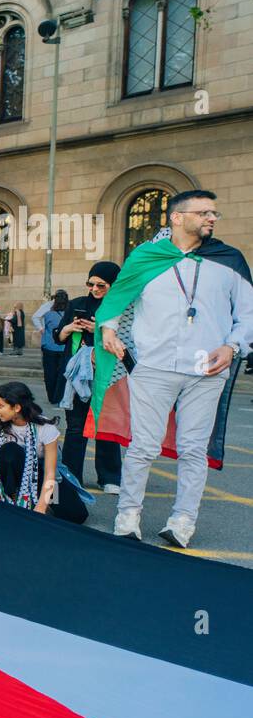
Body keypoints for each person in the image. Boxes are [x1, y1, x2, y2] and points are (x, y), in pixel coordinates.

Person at [96, 190, 253, 546]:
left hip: (208, 369)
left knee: (194, 448)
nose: (211, 218)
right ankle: (128, 514)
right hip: (153, 365)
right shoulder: (146, 257)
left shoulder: (229, 260)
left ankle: (183, 521)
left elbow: (248, 314)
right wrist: (107, 331)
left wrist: (232, 346)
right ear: (177, 218)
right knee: (143, 446)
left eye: (214, 213)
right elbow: (116, 299)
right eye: (203, 213)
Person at [56, 261, 122, 495]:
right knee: (76, 426)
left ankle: (110, 476)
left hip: (109, 374)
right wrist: (70, 328)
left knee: (107, 423)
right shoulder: (77, 304)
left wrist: (100, 331)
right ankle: (73, 475)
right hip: (77, 375)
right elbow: (58, 337)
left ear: (113, 285)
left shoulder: (120, 307)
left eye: (101, 285)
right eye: (90, 283)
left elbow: (127, 339)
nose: (94, 289)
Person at [0, 382, 87, 524]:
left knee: (76, 515)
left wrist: (41, 506)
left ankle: (38, 502)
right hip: (14, 477)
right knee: (9, 451)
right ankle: (13, 499)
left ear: (17, 407)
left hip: (41, 475)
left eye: (0, 405)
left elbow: (50, 473)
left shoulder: (45, 427)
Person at [40, 290, 70, 404]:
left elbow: (45, 327)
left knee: (49, 373)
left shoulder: (48, 314)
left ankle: (51, 397)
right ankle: (59, 396)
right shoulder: (69, 315)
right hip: (64, 348)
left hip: (49, 347)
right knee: (62, 373)